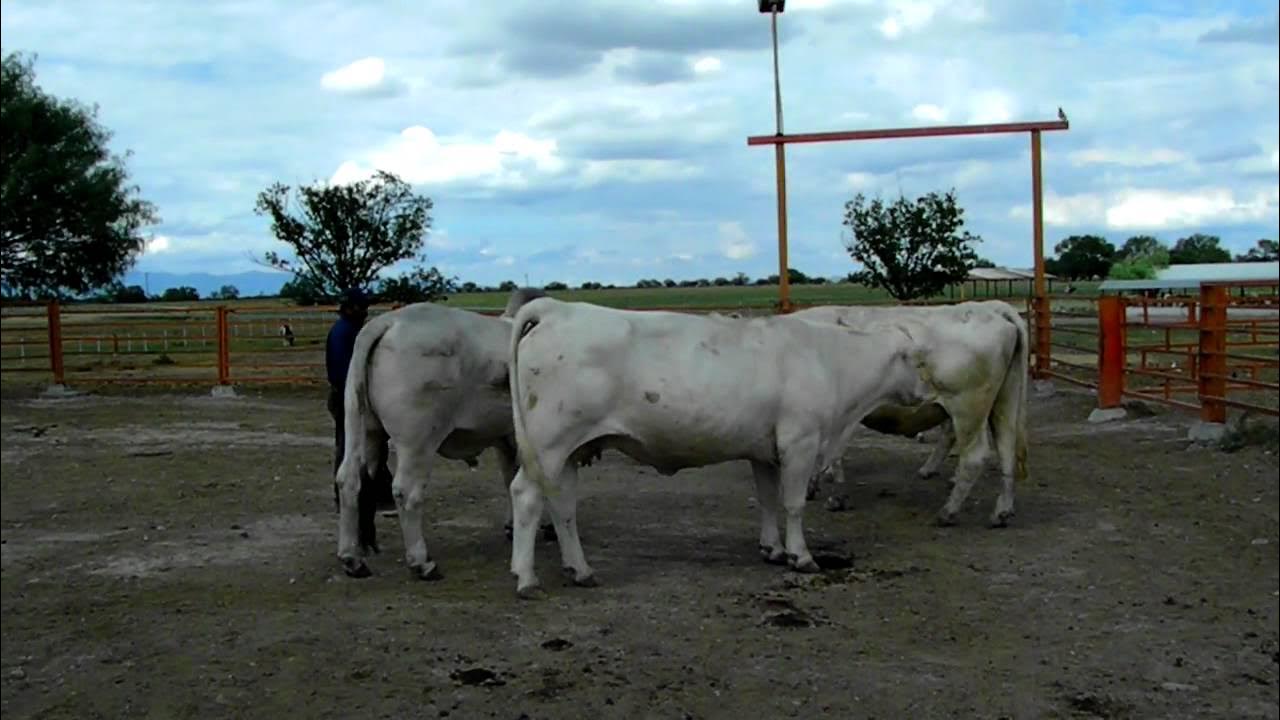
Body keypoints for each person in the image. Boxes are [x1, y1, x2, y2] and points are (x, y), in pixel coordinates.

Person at [325, 287, 396, 514]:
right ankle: (350, 496)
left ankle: (375, 494)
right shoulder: (345, 332)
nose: (365, 311)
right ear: (350, 307)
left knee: (366, 444)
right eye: (362, 307)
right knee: (351, 445)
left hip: (348, 393)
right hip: (348, 394)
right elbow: (342, 371)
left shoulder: (348, 330)